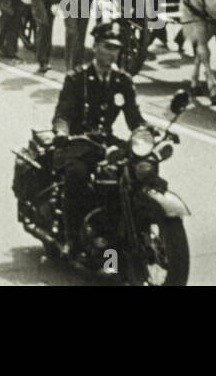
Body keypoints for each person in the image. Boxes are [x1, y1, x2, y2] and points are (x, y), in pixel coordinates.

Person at [51, 20, 147, 255]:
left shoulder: (123, 81)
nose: (112, 53)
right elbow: (62, 114)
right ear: (95, 47)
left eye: (116, 48)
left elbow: (134, 118)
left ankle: (133, 229)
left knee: (140, 169)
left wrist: (147, 132)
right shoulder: (77, 78)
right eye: (107, 46)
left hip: (106, 142)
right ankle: (72, 238)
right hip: (78, 143)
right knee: (77, 175)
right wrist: (62, 132)